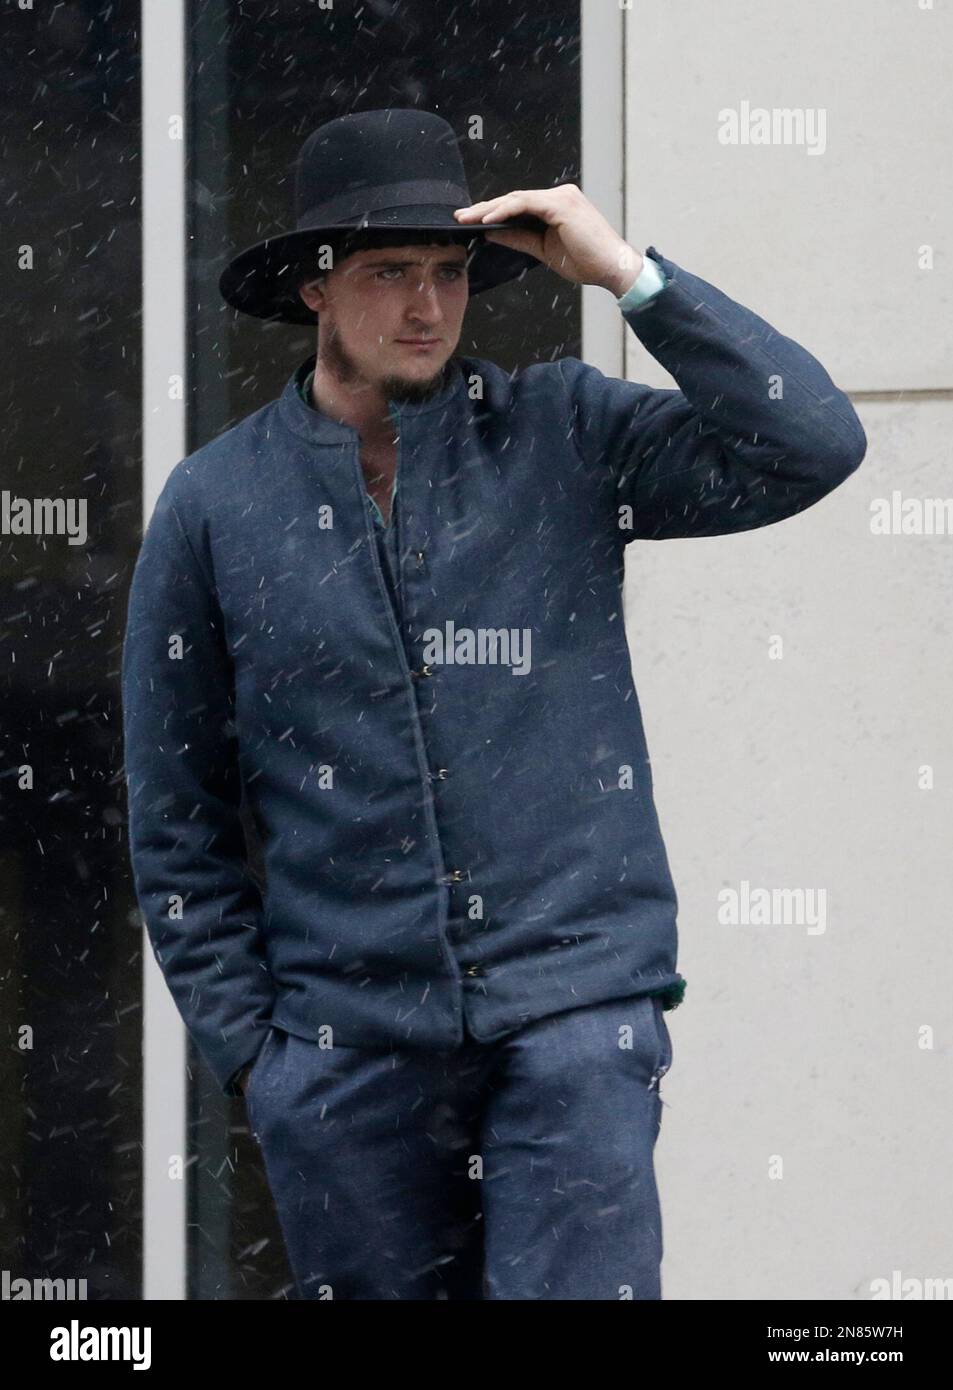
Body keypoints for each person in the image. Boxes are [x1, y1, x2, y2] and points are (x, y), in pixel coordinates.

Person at [122, 108, 867, 1300]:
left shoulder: (563, 429)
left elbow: (810, 442)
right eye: (387, 273)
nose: (425, 305)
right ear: (315, 292)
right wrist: (258, 1054)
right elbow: (174, 817)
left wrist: (630, 278)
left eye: (448, 272)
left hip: (572, 1020)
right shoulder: (215, 505)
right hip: (343, 1051)